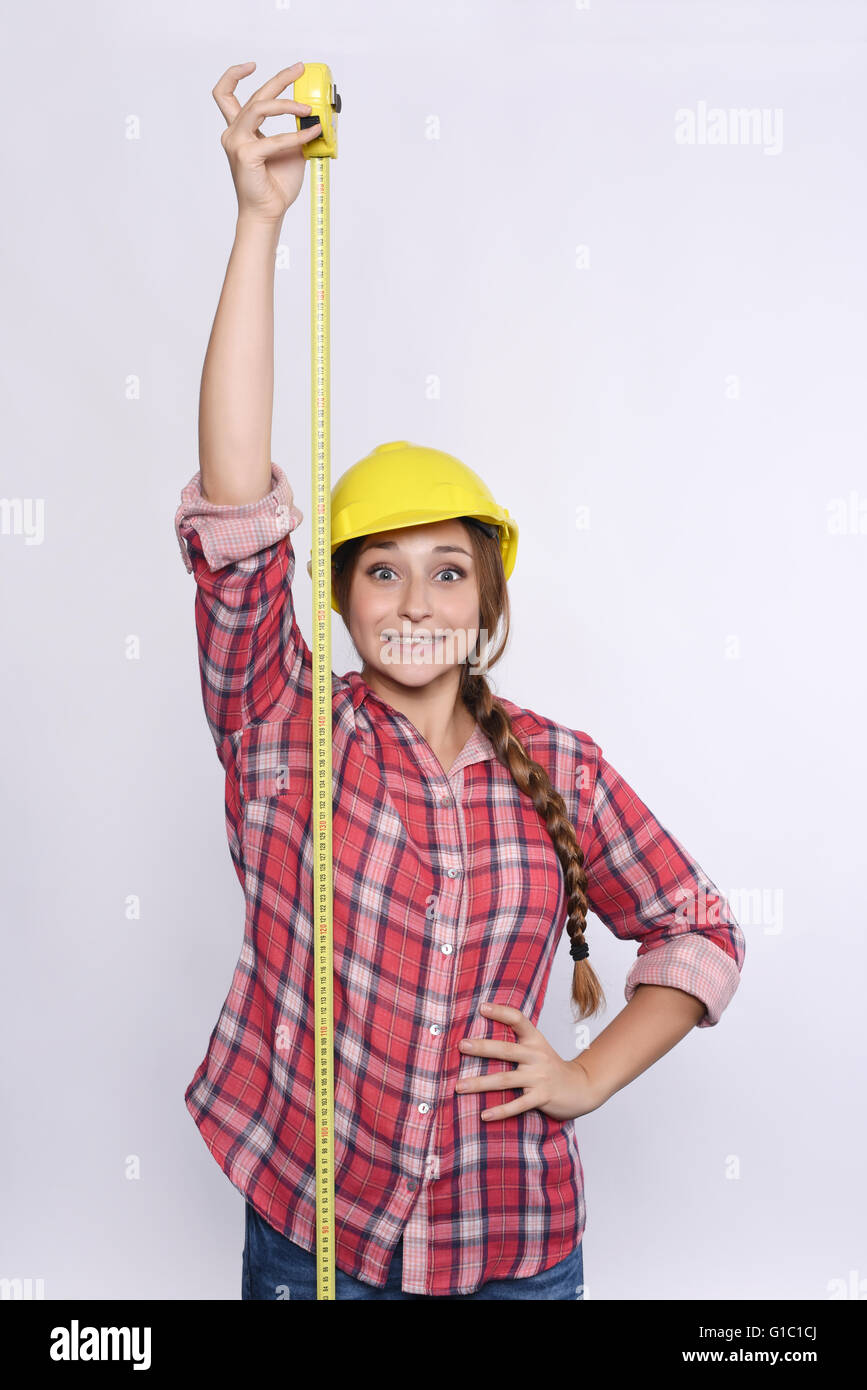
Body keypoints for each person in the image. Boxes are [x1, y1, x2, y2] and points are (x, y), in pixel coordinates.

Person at [174, 61, 746, 1302]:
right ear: (340, 600)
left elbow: (701, 929)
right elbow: (234, 509)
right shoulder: (285, 731)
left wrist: (586, 1075)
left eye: (448, 571)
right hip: (315, 1234)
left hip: (513, 1253)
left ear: (489, 601)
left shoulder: (566, 767)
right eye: (381, 572)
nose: (417, 600)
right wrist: (259, 222)